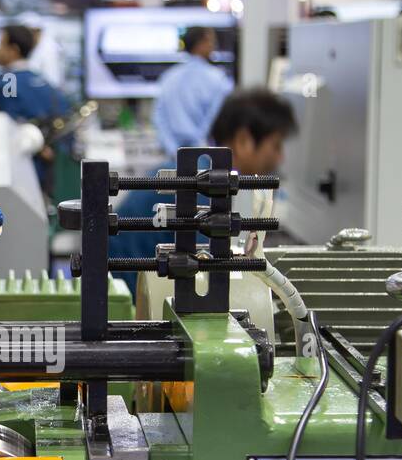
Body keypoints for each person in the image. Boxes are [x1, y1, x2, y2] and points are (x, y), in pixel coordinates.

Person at [110, 87, 298, 295]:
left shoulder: (200, 173)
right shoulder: (202, 189)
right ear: (244, 140)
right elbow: (204, 281)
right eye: (276, 146)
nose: (280, 159)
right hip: (124, 300)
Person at [0, 24, 72, 194]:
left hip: (25, 169)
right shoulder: (41, 79)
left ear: (13, 50)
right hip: (50, 168)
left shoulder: (9, 80)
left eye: (0, 44)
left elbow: (9, 126)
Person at [152, 26, 232, 158]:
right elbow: (216, 119)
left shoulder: (168, 78)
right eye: (211, 41)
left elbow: (159, 118)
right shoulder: (217, 79)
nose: (214, 46)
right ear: (201, 43)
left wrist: (173, 150)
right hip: (205, 158)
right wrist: (199, 148)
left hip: (173, 157)